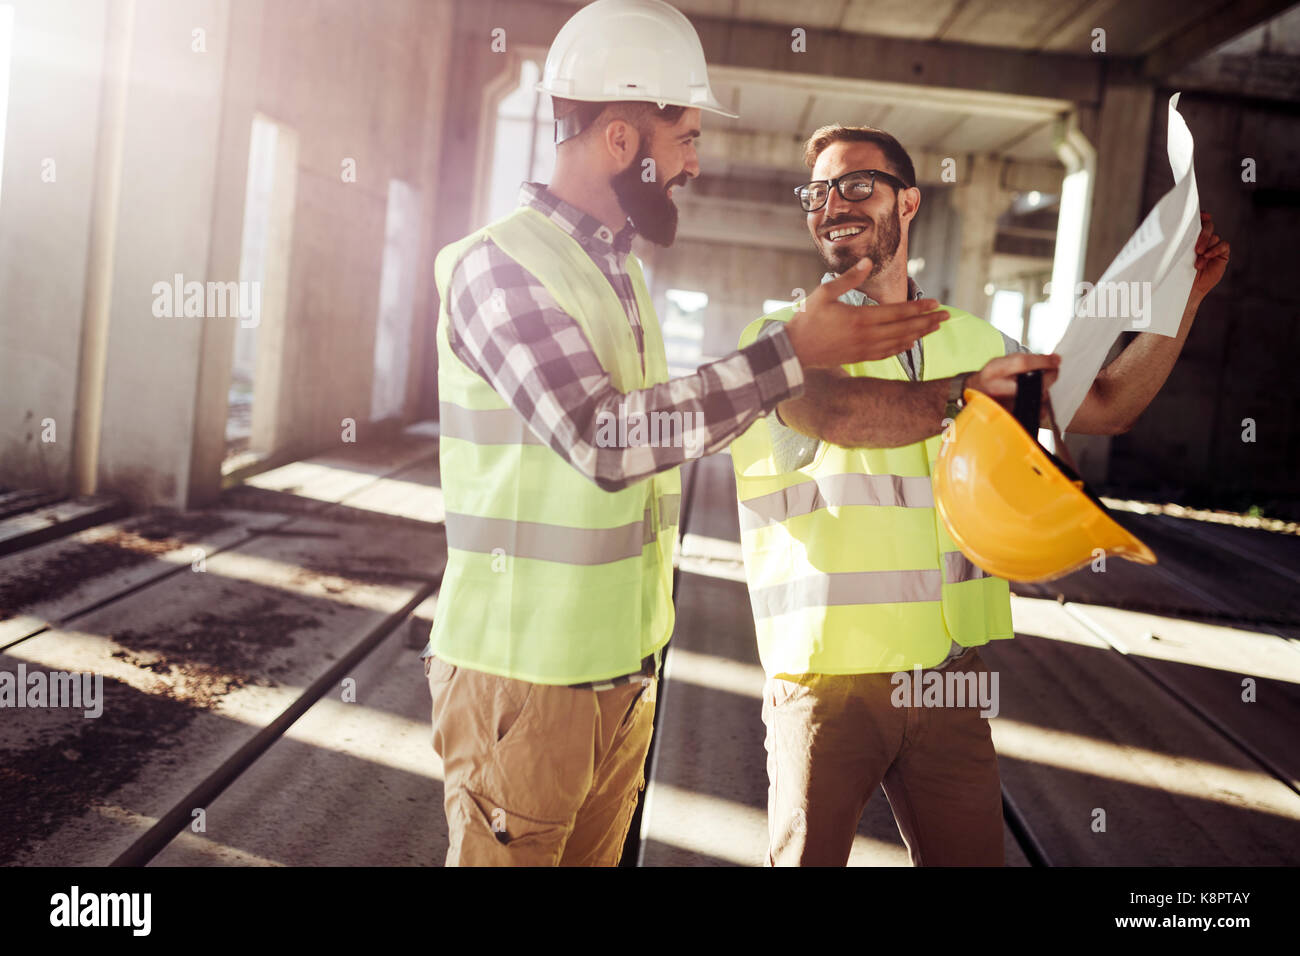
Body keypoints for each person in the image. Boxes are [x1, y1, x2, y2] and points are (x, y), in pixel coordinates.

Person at [422, 0, 960, 867]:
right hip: (522, 680)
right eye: (686, 138)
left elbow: (662, 431)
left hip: (619, 676)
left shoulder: (623, 274)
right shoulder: (499, 265)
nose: (696, 165)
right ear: (625, 139)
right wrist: (789, 356)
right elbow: (602, 439)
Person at [730, 124, 1230, 866]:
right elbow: (837, 414)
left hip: (947, 680)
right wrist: (965, 396)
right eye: (818, 192)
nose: (832, 203)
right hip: (828, 684)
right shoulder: (779, 339)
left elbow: (1111, 403)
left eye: (856, 185)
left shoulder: (975, 340)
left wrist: (1183, 300)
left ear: (908, 202)